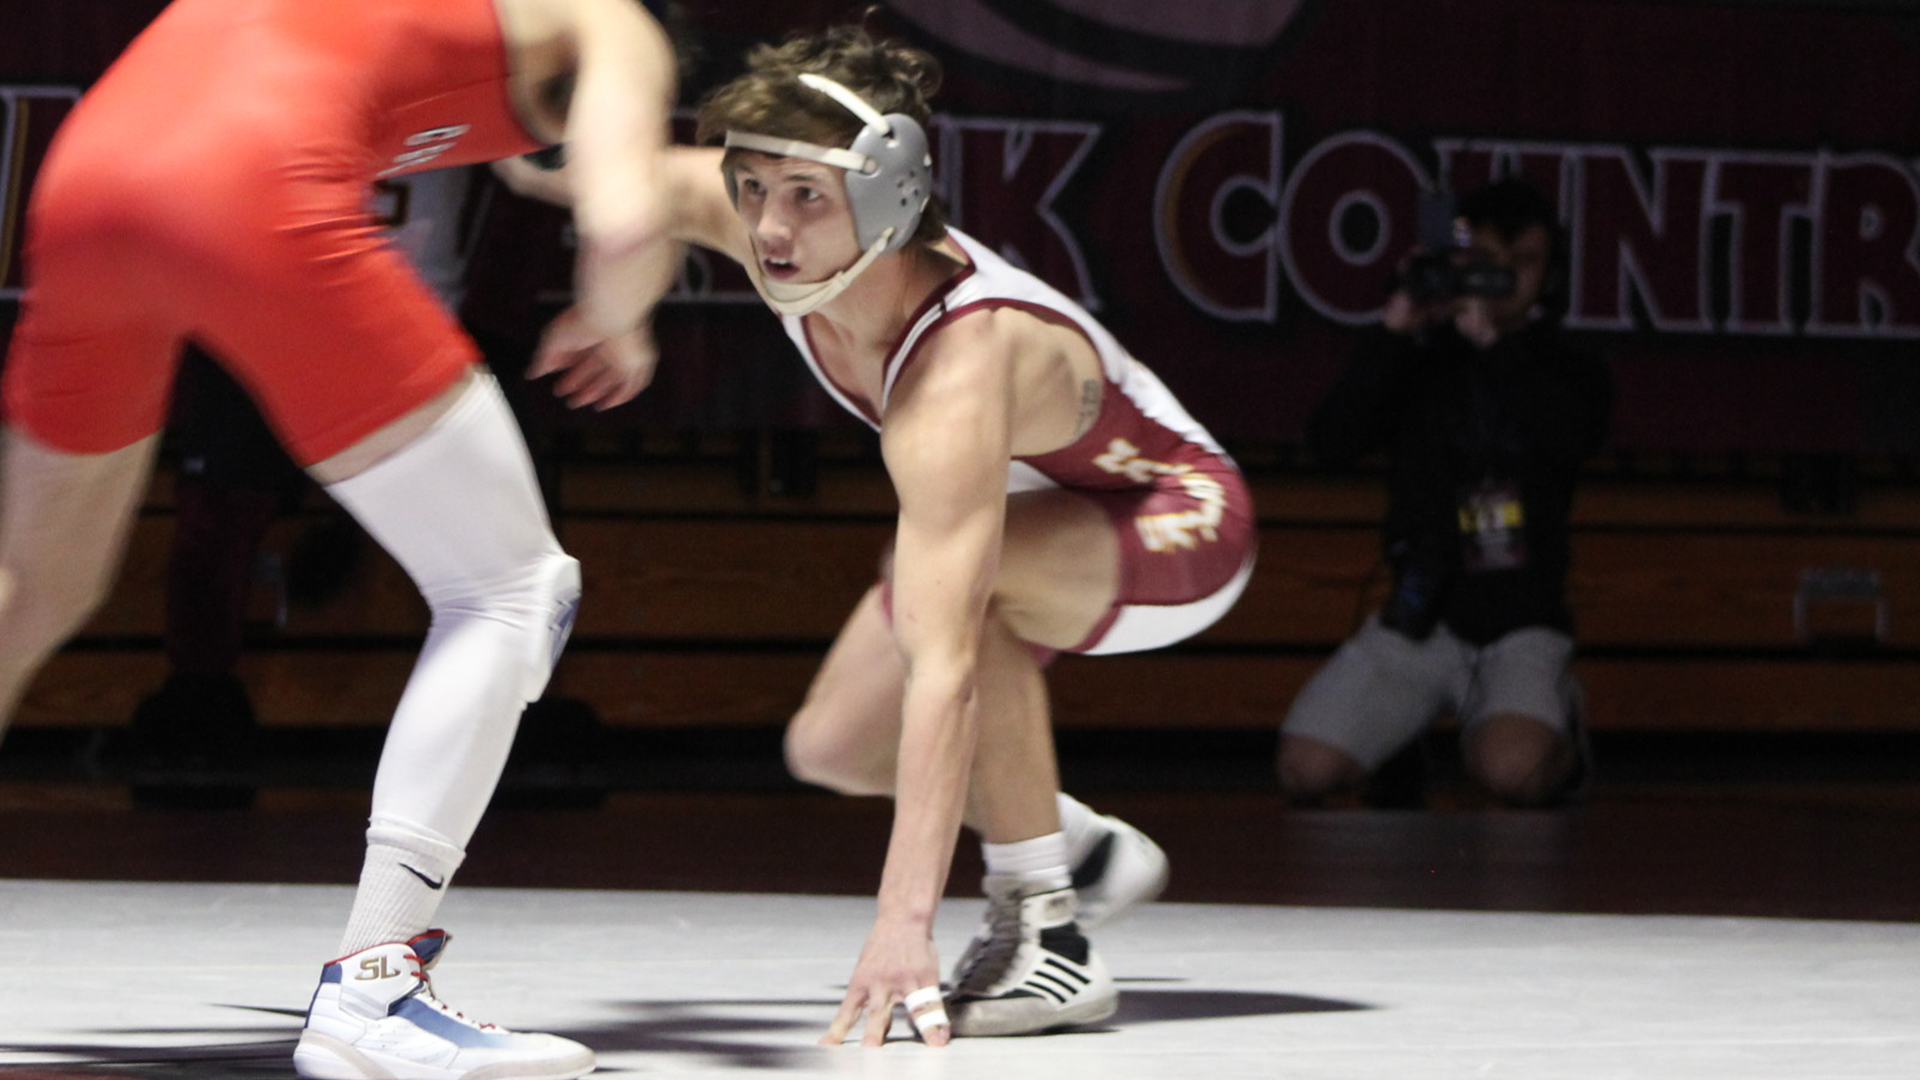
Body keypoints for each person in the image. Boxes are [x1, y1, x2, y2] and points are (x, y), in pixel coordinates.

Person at [516, 23, 1253, 1046]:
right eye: (753, 186)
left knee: (958, 608)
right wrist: (614, 308)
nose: (769, 228)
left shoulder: (959, 364)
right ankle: (1076, 848)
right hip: (1051, 519)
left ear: (892, 196)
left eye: (806, 195)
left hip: (1178, 519)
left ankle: (1045, 929)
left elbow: (947, 671)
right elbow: (617, 187)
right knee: (833, 747)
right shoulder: (783, 232)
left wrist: (903, 924)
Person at [0, 1, 681, 1077]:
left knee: (33, 587)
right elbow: (630, 222)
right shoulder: (609, 20)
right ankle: (375, 993)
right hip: (255, 187)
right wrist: (618, 315)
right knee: (511, 584)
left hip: (86, 180)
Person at [1277, 178, 1612, 809]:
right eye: (1487, 261)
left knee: (1514, 772)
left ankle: (1558, 727)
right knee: (1305, 768)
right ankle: (1401, 739)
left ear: (1550, 274)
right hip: (1422, 616)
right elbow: (1331, 443)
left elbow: (1571, 436)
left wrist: (1494, 345)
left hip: (1521, 620)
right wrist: (1395, 328)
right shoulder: (1419, 355)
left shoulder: (1570, 364)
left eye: (1524, 262)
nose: (1503, 277)